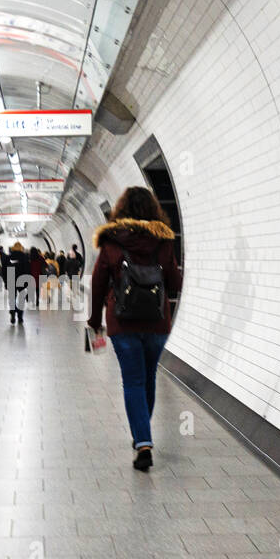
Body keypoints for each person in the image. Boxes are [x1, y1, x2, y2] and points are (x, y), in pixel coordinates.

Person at [87, 187, 183, 471]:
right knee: (148, 376)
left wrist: (94, 322)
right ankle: (143, 434)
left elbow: (97, 284)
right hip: (157, 322)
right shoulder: (164, 240)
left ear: (121, 210)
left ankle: (143, 441)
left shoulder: (111, 242)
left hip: (122, 322)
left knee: (133, 381)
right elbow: (175, 283)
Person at [4, 241, 28, 324]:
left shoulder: (8, 257)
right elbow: (27, 270)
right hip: (22, 278)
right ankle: (20, 316)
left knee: (12, 298)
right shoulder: (25, 257)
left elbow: (5, 270)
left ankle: (13, 312)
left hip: (11, 278)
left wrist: (6, 282)